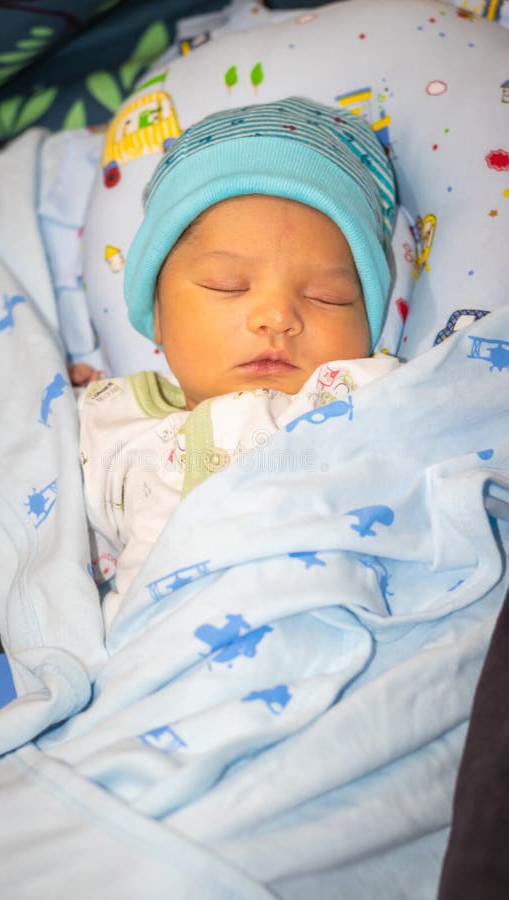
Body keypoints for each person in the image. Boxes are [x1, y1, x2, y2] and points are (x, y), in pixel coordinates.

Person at [78, 96, 399, 623]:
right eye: (226, 286)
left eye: (327, 296)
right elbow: (20, 480)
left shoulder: (371, 397)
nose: (276, 316)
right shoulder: (108, 420)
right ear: (156, 315)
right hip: (154, 672)